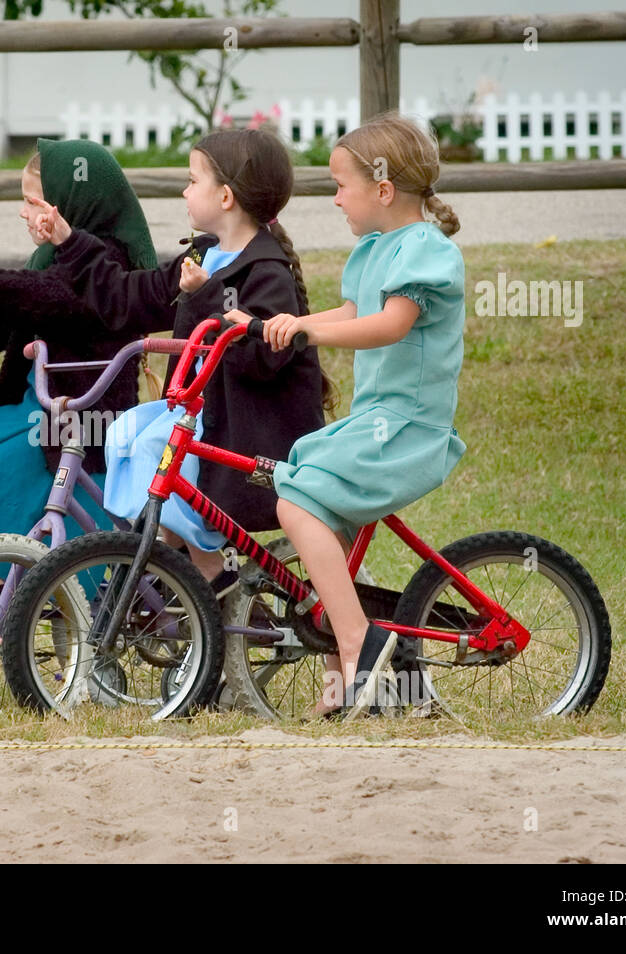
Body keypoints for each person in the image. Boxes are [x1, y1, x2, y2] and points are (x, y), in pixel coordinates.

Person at [230, 112, 466, 719]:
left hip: (408, 426)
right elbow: (350, 310)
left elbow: (389, 324)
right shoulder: (374, 248)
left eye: (341, 186)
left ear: (383, 190)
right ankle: (342, 679)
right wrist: (281, 324)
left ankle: (363, 643)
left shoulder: (425, 250)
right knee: (306, 480)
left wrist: (307, 334)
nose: (334, 199)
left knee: (295, 499)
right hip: (377, 419)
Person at [29, 128, 331, 594]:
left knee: (155, 448)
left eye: (193, 181)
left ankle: (208, 566)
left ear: (226, 196)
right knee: (125, 433)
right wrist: (71, 242)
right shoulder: (203, 253)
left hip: (243, 431)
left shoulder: (267, 271)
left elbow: (260, 358)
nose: (184, 191)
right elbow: (132, 297)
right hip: (195, 413)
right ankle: (163, 553)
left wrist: (205, 295)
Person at [0, 139, 159, 556]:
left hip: (77, 420)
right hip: (37, 407)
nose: (24, 212)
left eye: (34, 202)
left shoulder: (106, 262)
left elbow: (52, 295)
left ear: (71, 203)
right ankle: (1, 571)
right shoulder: (50, 258)